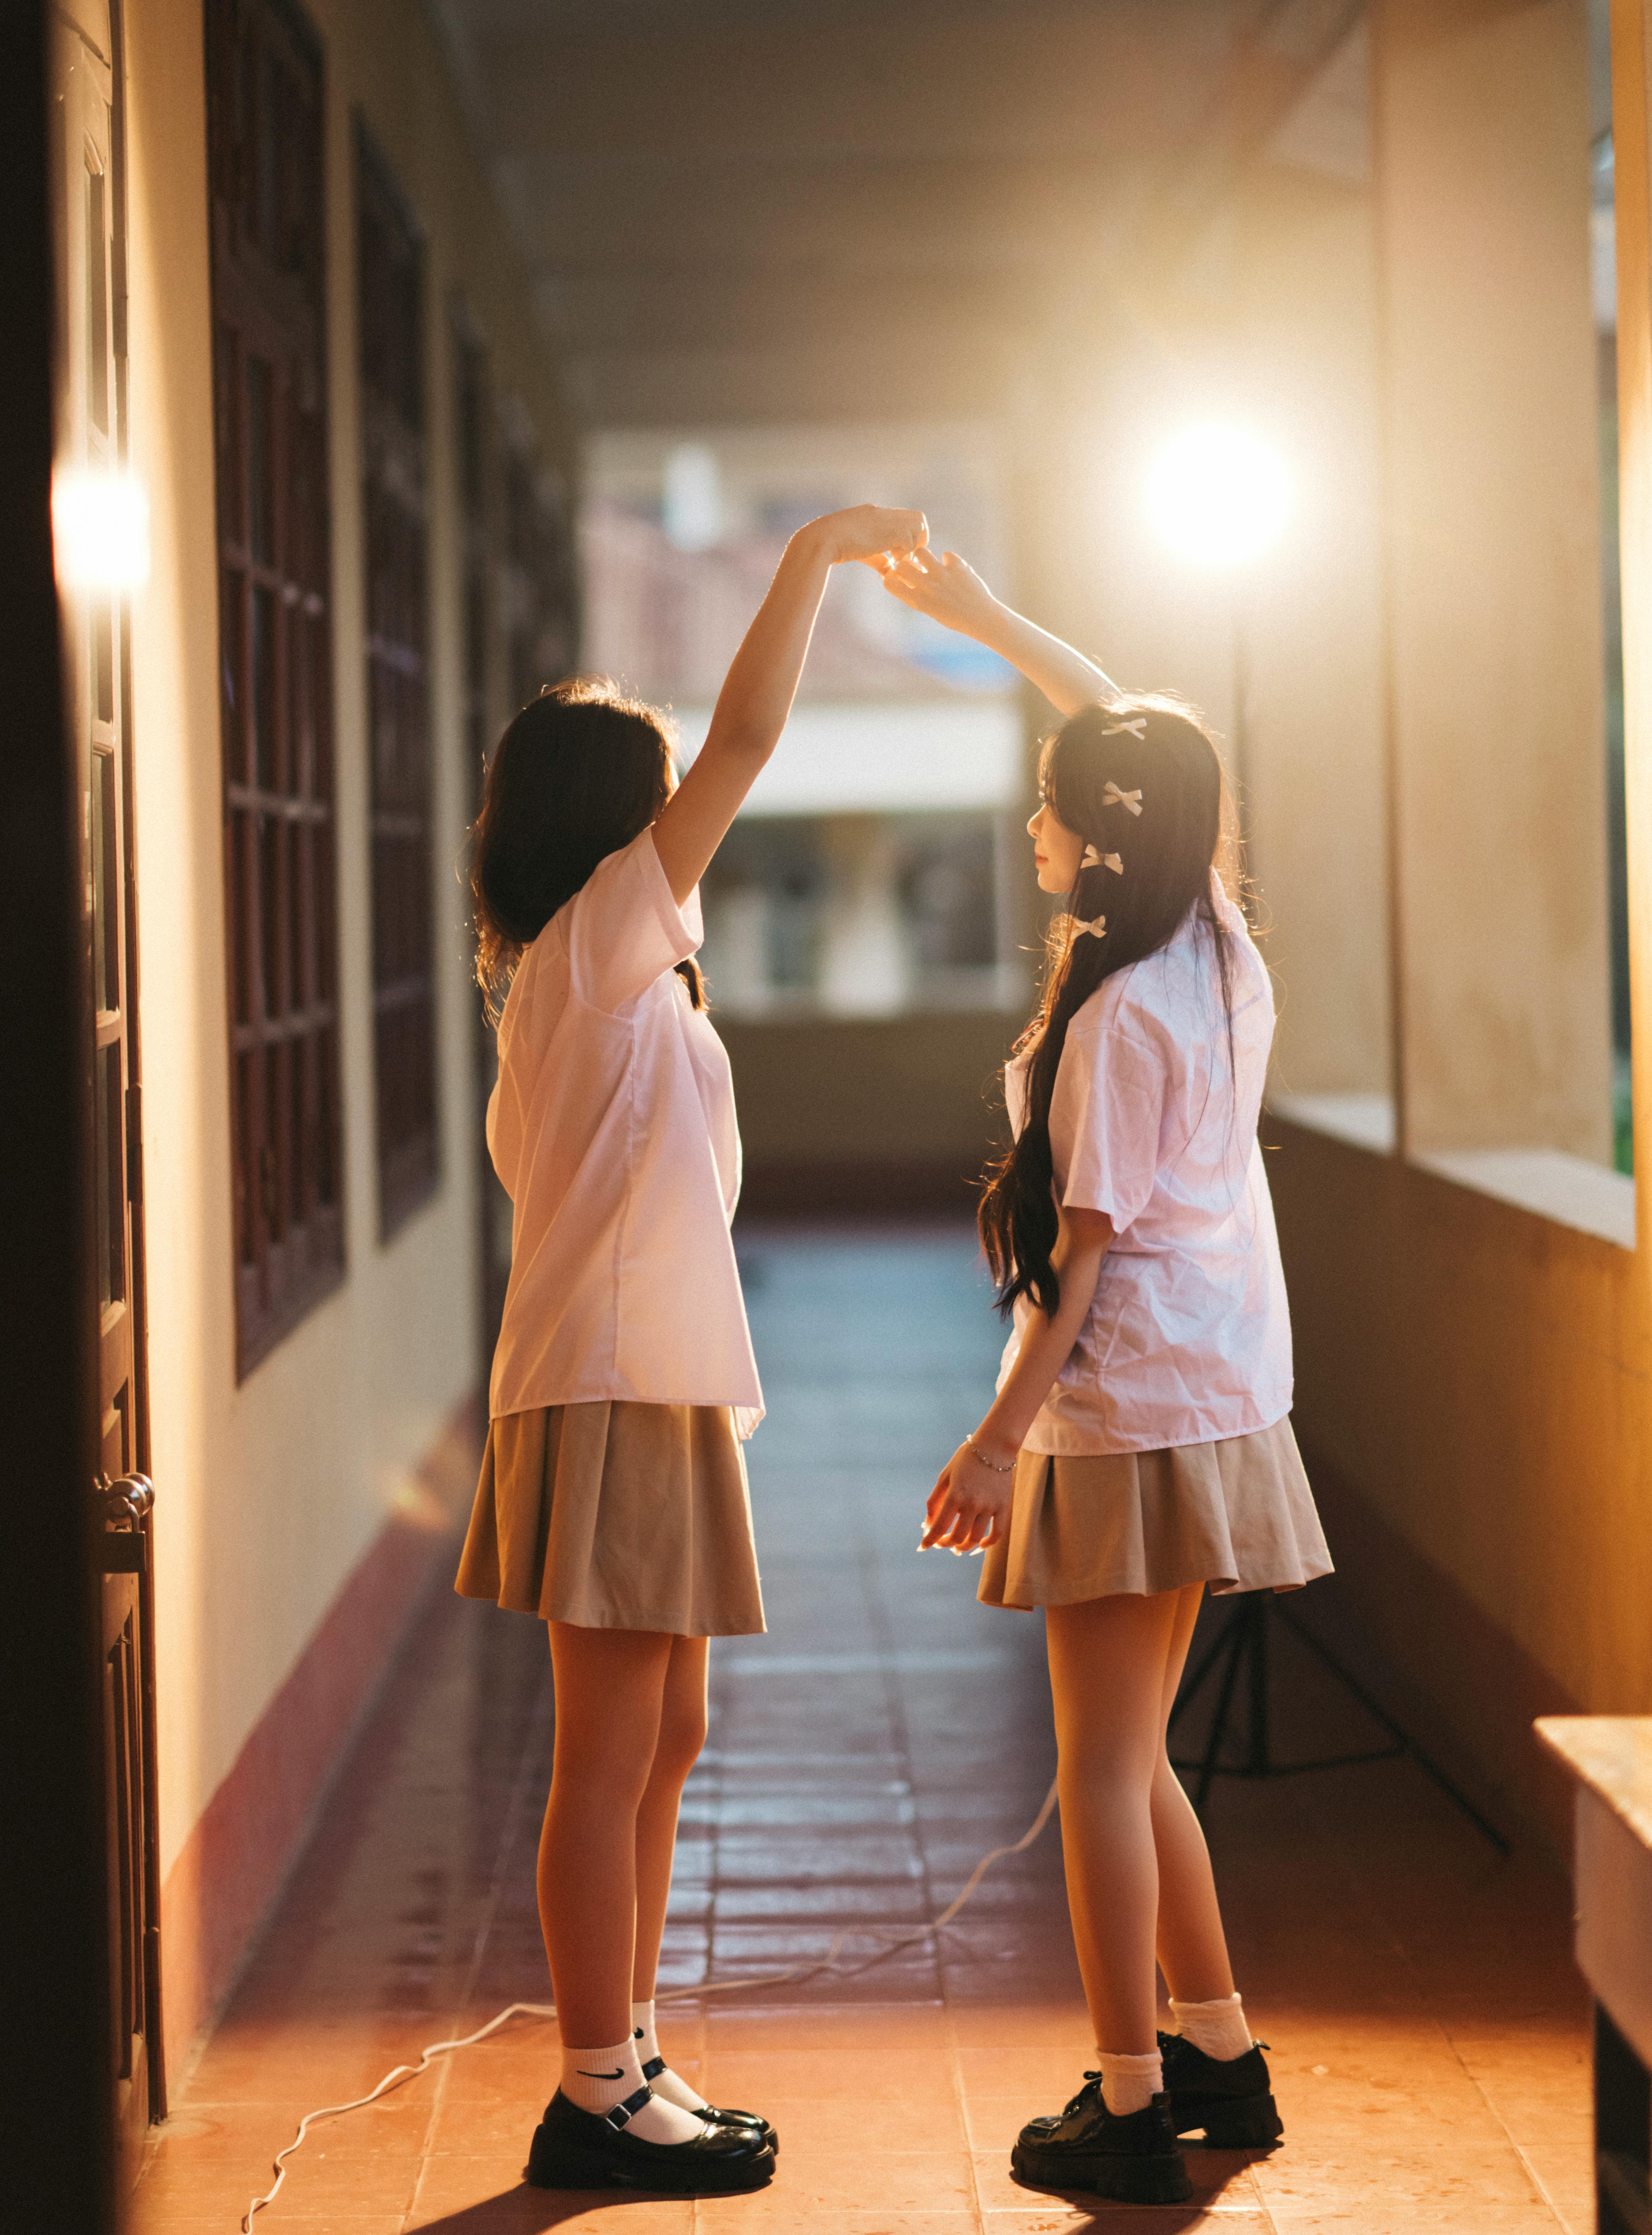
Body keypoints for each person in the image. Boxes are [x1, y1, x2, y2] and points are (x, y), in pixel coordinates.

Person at [457, 501, 927, 2197]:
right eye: (656, 799)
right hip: (608, 1387)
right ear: (616, 821)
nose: (687, 817)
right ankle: (594, 2088)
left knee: (666, 1740)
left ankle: (627, 2054)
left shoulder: (600, 974)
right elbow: (749, 734)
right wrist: (809, 555)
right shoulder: (597, 942)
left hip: (647, 1384)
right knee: (610, 1748)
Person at [886, 546, 1331, 2209]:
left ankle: (1131, 2098)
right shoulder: (1217, 953)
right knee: (1132, 1758)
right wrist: (993, 626)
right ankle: (1217, 2055)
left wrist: (996, 1441)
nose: (1031, 827)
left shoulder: (1120, 1008)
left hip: (1125, 1412)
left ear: (1102, 832)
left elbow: (1076, 1261)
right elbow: (1143, 740)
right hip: (1211, 1399)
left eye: (1051, 808)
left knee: (1097, 1772)